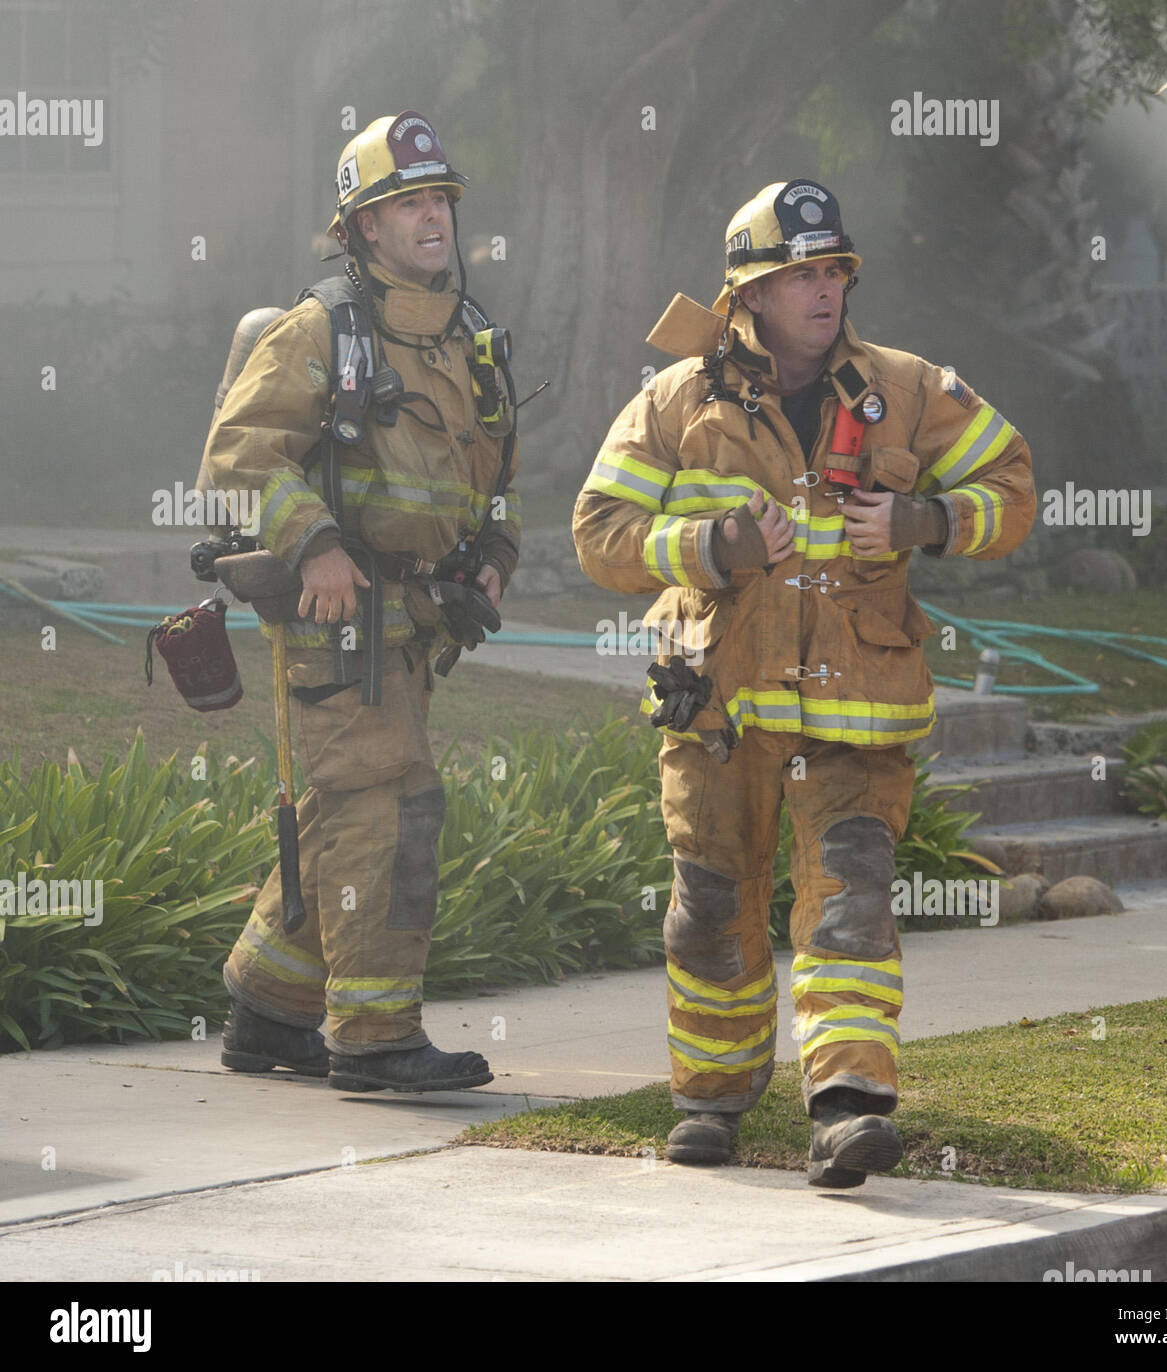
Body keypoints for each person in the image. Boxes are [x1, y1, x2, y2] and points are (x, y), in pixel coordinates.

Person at [572, 179, 1034, 1187]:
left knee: (849, 907)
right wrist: (707, 544)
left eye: (834, 272)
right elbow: (598, 534)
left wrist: (927, 522)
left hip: (854, 721)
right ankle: (711, 1098)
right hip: (719, 713)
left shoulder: (907, 387)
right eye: (800, 276)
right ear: (749, 294)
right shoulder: (676, 401)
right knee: (710, 902)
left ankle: (848, 1105)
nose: (824, 292)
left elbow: (1012, 484)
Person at [200, 111, 520, 1093]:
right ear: (363, 228)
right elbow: (236, 456)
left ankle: (266, 1012)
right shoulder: (320, 330)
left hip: (418, 625)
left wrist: (494, 552)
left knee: (348, 807)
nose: (430, 218)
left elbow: (495, 473)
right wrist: (317, 541)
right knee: (388, 806)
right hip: (338, 619)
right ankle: (375, 1042)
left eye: (437, 200)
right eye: (404, 203)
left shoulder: (466, 341)